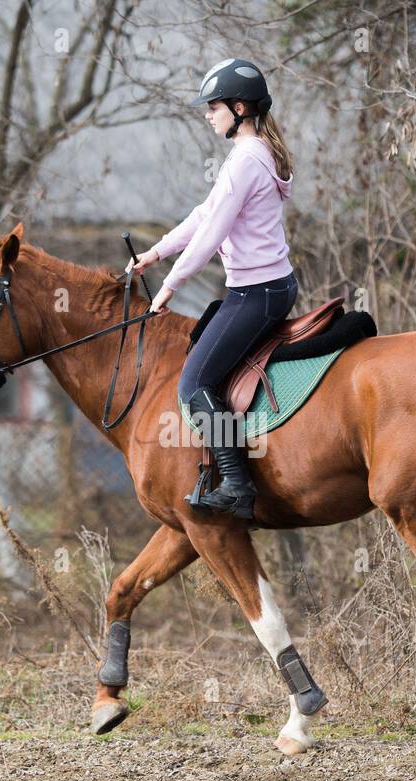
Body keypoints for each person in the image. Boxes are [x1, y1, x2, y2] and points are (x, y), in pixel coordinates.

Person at [133, 58, 297, 520]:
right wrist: (156, 253)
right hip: (264, 288)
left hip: (257, 293)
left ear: (239, 108)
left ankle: (239, 486)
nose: (208, 115)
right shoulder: (252, 152)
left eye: (214, 107)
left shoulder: (246, 159)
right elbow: (204, 216)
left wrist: (170, 286)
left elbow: (210, 236)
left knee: (193, 382)